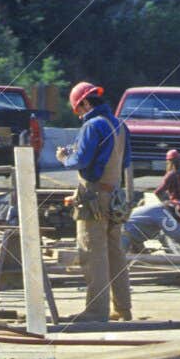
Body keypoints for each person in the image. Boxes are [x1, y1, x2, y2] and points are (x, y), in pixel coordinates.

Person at [57, 80, 132, 324]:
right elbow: (126, 162)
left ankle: (95, 312)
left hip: (94, 198)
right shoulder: (119, 125)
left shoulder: (92, 125)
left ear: (86, 103)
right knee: (115, 253)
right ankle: (122, 308)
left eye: (78, 110)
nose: (78, 115)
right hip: (115, 197)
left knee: (93, 254)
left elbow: (80, 160)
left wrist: (64, 158)